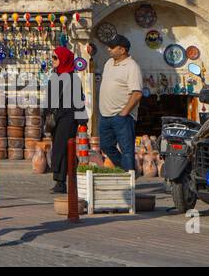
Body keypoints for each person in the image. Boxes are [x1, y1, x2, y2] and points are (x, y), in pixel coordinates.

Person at [43, 46, 89, 194]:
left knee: (61, 150)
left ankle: (61, 182)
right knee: (60, 149)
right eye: (53, 58)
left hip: (67, 120)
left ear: (64, 59)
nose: (53, 61)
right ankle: (65, 180)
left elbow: (79, 101)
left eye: (56, 58)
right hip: (57, 120)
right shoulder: (56, 76)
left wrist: (82, 121)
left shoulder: (72, 78)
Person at [98, 35, 142, 172]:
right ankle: (126, 171)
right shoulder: (108, 63)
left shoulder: (132, 67)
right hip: (105, 115)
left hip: (122, 116)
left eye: (112, 47)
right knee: (105, 146)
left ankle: (130, 186)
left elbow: (137, 93)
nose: (108, 49)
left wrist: (124, 113)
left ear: (122, 50)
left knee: (127, 149)